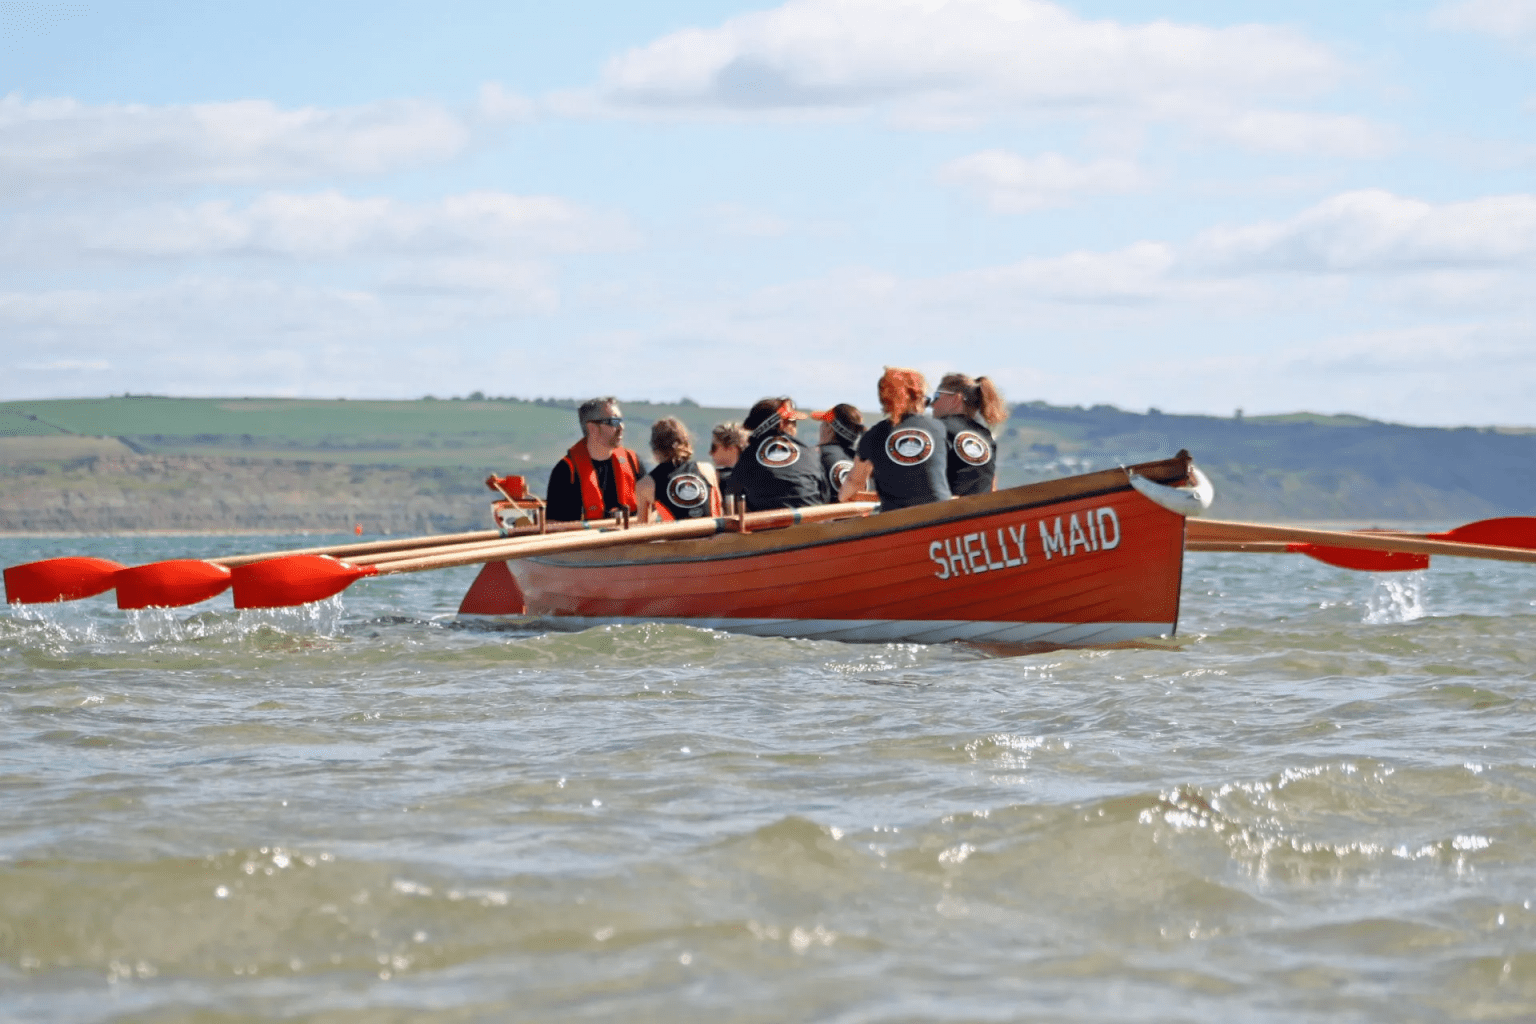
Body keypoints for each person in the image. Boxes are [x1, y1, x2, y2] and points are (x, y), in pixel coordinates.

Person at [838, 367, 951, 510]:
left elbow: (853, 483)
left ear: (884, 400)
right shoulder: (938, 428)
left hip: (897, 520)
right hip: (940, 514)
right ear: (919, 396)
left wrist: (840, 499)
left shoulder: (873, 435)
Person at [544, 397, 646, 522]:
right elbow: (553, 524)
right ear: (592, 428)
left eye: (621, 421)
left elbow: (651, 510)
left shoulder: (633, 462)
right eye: (614, 422)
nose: (621, 427)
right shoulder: (565, 471)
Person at [723, 397, 829, 511]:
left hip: (767, 526)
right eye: (792, 422)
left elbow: (732, 497)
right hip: (812, 524)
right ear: (783, 424)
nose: (795, 427)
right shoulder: (810, 453)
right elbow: (824, 495)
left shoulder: (747, 456)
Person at [930, 373, 1008, 496]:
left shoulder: (937, 428)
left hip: (947, 510)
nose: (932, 404)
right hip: (982, 510)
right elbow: (992, 485)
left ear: (956, 399)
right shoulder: (985, 436)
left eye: (937, 395)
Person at [636, 417, 721, 522]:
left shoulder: (645, 484)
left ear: (655, 449)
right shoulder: (707, 469)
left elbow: (644, 529)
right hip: (713, 536)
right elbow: (719, 510)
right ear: (685, 443)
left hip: (678, 538)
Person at [812, 403, 865, 496]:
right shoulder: (866, 462)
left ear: (829, 429)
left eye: (823, 423)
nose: (820, 428)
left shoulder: (815, 455)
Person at [709, 422, 748, 493]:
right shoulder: (756, 478)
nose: (710, 453)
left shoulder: (715, 480)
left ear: (731, 448)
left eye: (714, 447)